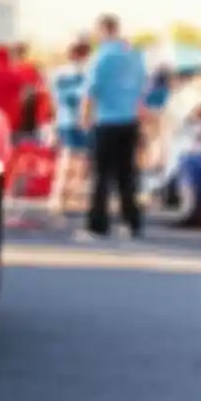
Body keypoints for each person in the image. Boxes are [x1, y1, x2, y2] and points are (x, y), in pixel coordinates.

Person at [80, 14, 147, 239]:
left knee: (101, 175)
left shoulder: (101, 57)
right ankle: (132, 222)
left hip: (106, 121)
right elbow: (141, 90)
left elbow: (91, 92)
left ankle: (98, 225)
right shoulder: (134, 56)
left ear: (102, 30)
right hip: (129, 121)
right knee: (127, 175)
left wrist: (85, 118)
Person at [47, 39, 91, 214]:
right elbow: (85, 98)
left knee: (66, 159)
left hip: (63, 119)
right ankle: (66, 197)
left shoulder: (59, 74)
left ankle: (59, 197)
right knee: (77, 161)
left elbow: (55, 100)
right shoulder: (85, 73)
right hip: (80, 120)